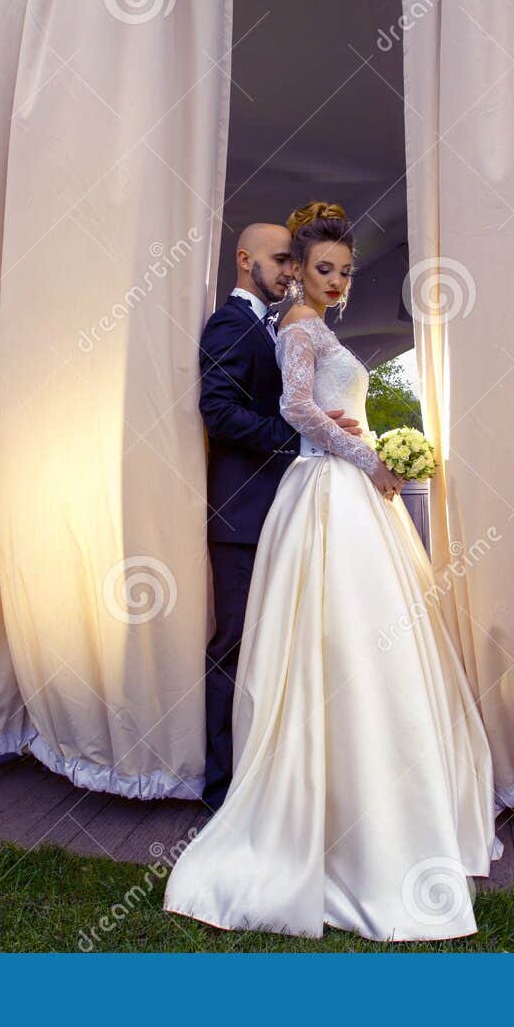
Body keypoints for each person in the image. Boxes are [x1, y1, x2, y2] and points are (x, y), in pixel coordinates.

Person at [167, 202, 500, 941]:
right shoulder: (284, 326)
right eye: (313, 265)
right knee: (287, 647)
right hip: (305, 495)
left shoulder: (311, 326)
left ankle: (364, 796)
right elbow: (286, 407)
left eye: (336, 269)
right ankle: (262, 797)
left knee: (355, 641)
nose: (322, 276)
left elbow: (316, 405)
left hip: (336, 494)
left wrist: (368, 447)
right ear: (270, 266)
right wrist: (360, 455)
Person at [197, 220, 362, 811]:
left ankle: (277, 780)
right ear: (245, 261)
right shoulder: (229, 324)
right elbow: (217, 412)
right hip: (242, 515)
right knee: (234, 647)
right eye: (282, 260)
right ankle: (221, 791)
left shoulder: (281, 327)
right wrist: (301, 443)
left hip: (288, 510)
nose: (291, 271)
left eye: (296, 262)